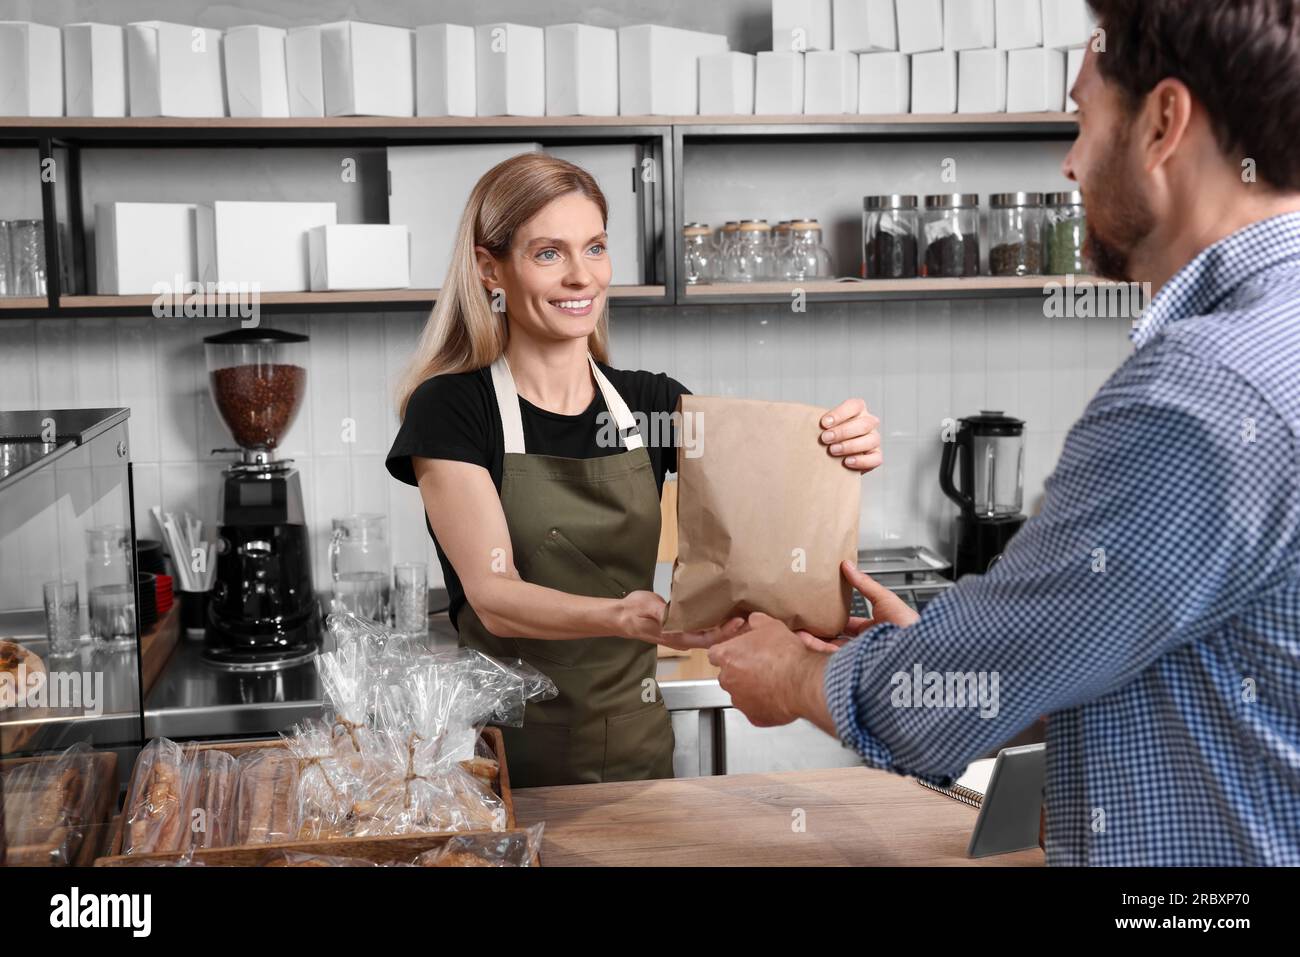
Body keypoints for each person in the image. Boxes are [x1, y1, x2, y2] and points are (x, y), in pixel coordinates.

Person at [709, 0, 1300, 865]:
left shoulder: (1200, 392)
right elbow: (1156, 660)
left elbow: (965, 692)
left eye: (1082, 118)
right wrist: (947, 651)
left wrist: (799, 678)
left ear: (1163, 124)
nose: (1068, 162)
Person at [385, 152, 882, 787]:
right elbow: (496, 597)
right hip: (509, 763)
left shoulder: (649, 404)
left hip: (640, 754)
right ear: (491, 269)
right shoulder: (455, 409)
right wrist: (622, 616)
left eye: (594, 248)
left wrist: (841, 446)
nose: (580, 277)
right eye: (548, 254)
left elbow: (767, 496)